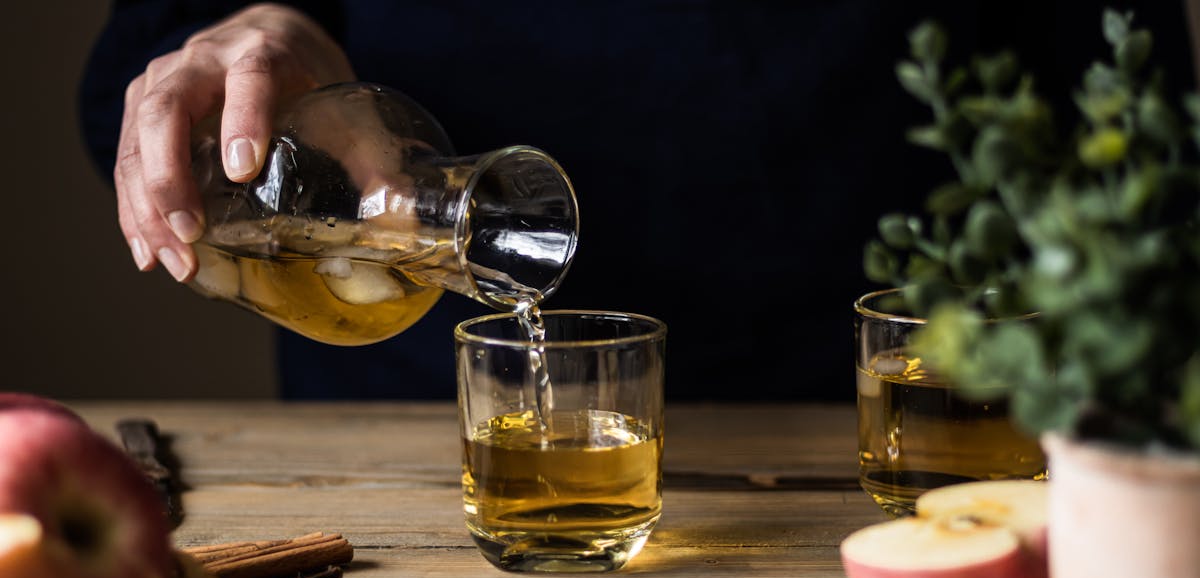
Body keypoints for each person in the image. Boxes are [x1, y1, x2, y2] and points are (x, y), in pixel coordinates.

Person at [79, 1, 1197, 401]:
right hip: (408, 446)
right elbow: (138, 55)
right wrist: (258, 25)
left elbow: (1131, 121)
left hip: (880, 409)